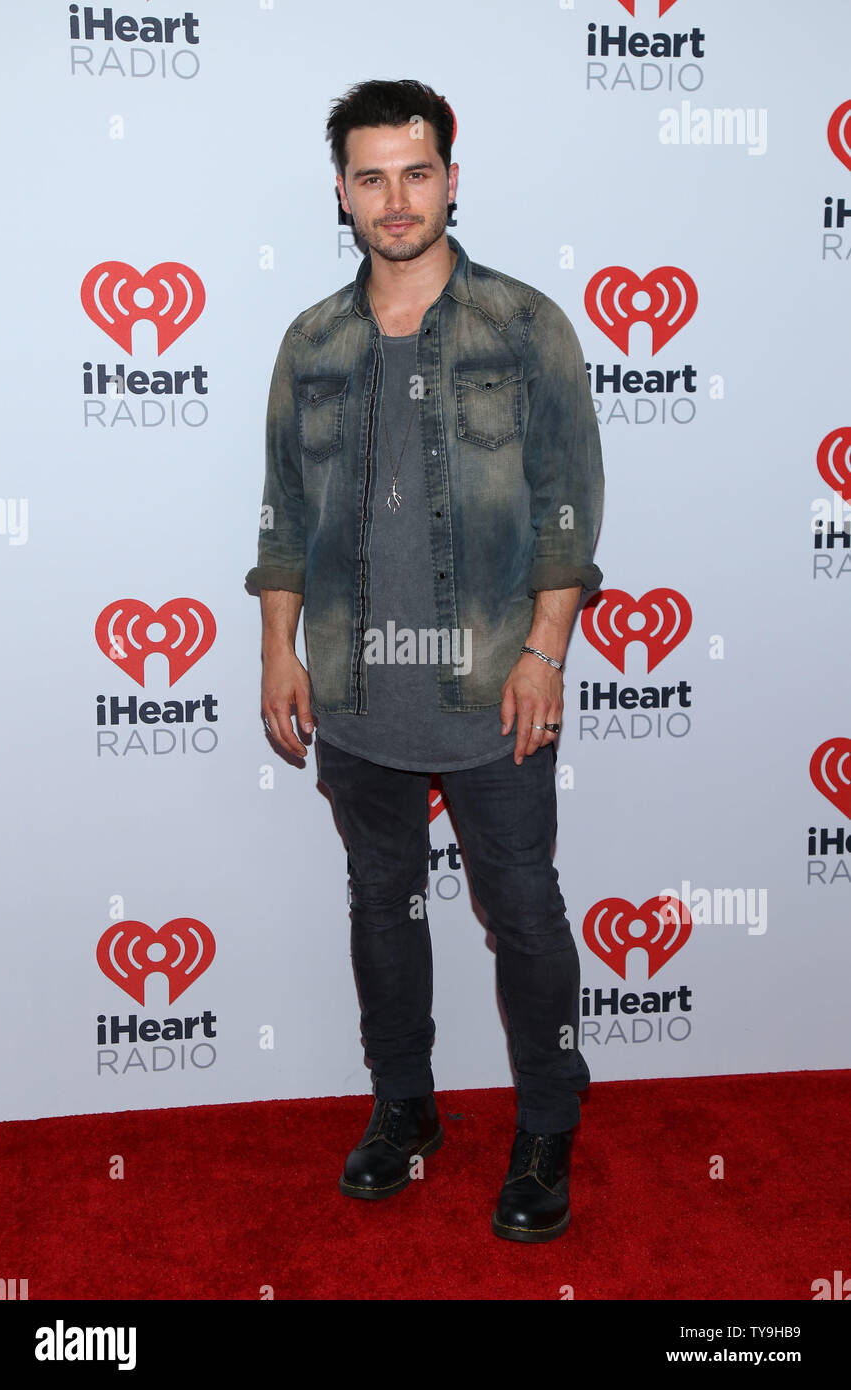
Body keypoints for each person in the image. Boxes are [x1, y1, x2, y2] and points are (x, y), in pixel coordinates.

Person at [245, 79, 604, 1243]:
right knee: (381, 910)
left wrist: (544, 654)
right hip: (354, 692)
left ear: (451, 177)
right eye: (369, 177)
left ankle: (546, 1124)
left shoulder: (524, 326)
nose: (393, 200)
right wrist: (278, 654)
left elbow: (566, 514)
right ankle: (404, 1110)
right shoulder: (312, 341)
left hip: (493, 683)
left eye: (415, 172)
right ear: (340, 193)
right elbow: (282, 517)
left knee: (526, 917)